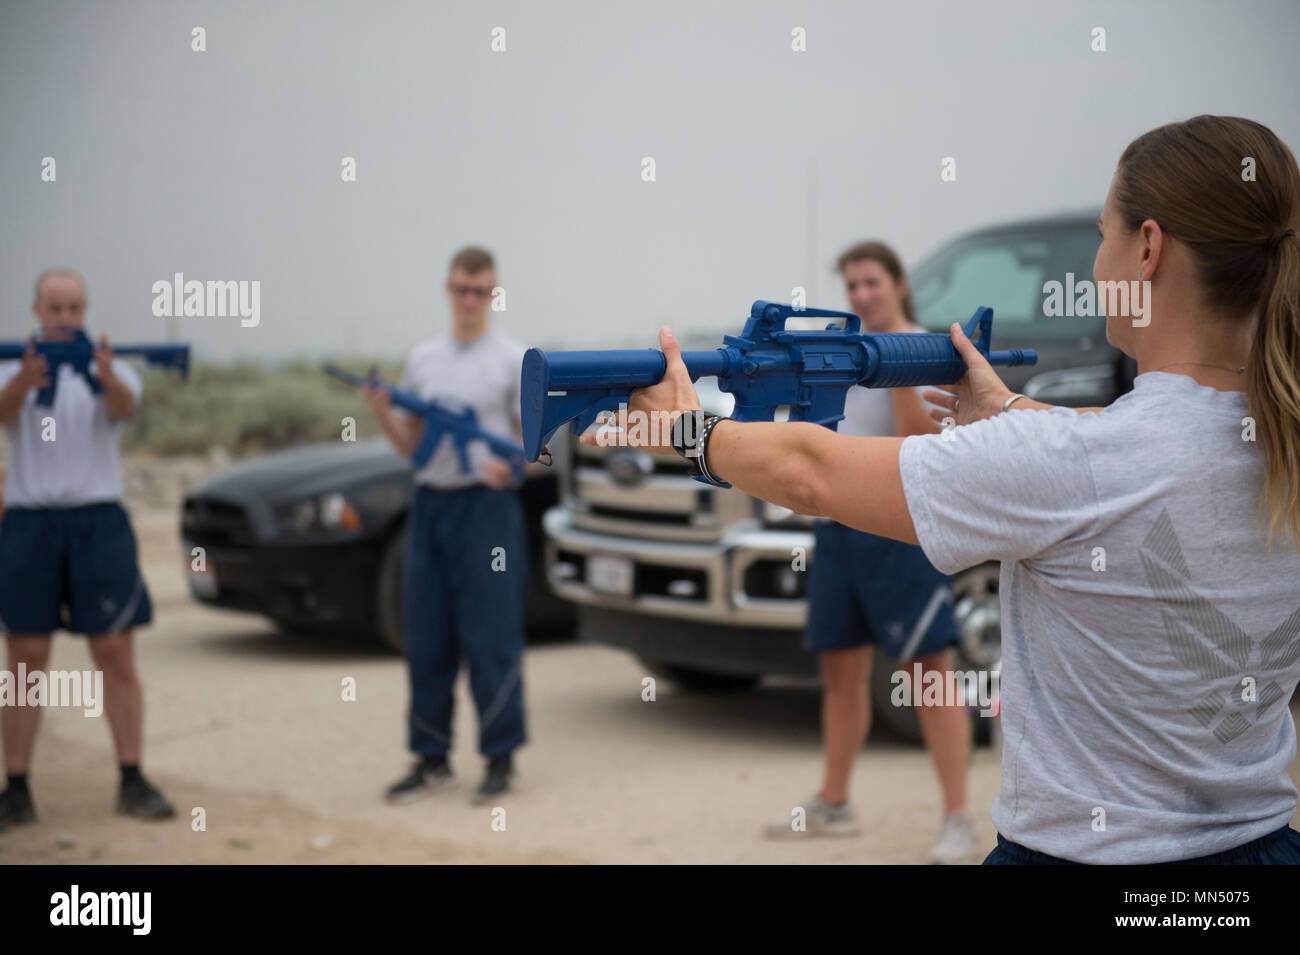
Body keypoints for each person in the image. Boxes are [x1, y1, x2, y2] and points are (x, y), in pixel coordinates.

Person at [593, 115, 1300, 864]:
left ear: (1148, 248)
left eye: (1104, 234)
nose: (1097, 265)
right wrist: (1010, 411)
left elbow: (813, 470)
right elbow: (1128, 449)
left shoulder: (1074, 459)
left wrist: (688, 431)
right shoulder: (1270, 438)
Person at [763, 241, 976, 863]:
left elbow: (920, 442)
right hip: (836, 530)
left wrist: (899, 363)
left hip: (903, 530)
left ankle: (958, 816)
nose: (860, 294)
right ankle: (834, 802)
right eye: (851, 284)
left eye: (871, 282)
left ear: (898, 283)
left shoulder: (930, 349)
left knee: (930, 673)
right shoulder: (837, 346)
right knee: (839, 670)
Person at [0, 268, 176, 830]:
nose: (66, 318)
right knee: (25, 659)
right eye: (55, 307)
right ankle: (18, 787)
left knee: (116, 655)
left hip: (98, 521)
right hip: (30, 520)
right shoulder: (13, 368)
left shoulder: (112, 367)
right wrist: (24, 382)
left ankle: (132, 777)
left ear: (86, 309)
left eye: (74, 307)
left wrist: (104, 379)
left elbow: (124, 408)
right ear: (36, 310)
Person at [364, 246, 530, 804]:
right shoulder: (424, 359)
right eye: (461, 288)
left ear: (493, 294)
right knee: (426, 634)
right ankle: (430, 757)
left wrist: (510, 467)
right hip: (431, 504)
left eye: (480, 291)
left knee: (491, 634)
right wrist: (383, 410)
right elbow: (413, 449)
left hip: (486, 510)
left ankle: (500, 757)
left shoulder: (511, 359)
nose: (469, 300)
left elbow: (531, 444)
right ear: (447, 288)